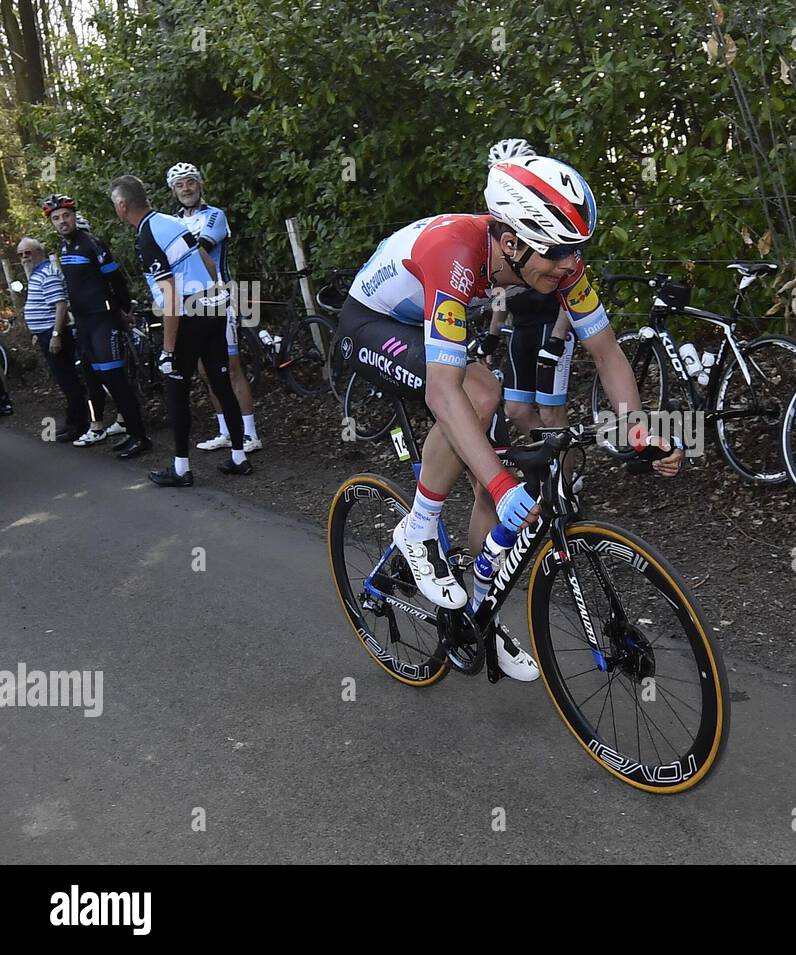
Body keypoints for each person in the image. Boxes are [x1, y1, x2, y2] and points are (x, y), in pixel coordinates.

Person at [338, 155, 682, 681]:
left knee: (487, 484)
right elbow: (442, 391)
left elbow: (608, 353)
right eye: (559, 252)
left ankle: (480, 614)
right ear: (513, 242)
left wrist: (637, 428)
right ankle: (419, 528)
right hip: (371, 322)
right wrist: (503, 485)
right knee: (480, 393)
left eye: (577, 251)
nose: (571, 265)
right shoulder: (453, 250)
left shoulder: (560, 263)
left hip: (426, 322)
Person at [109, 174, 249, 486]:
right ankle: (240, 457)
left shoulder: (146, 235)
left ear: (122, 206)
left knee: (176, 389)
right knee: (221, 380)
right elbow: (208, 263)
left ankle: (181, 468)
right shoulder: (169, 222)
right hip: (214, 305)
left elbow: (170, 294)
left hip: (188, 312)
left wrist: (168, 350)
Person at [474, 140, 577, 443]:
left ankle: (567, 483)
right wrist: (493, 336)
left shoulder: (554, 222)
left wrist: (558, 339)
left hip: (551, 325)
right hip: (521, 328)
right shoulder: (500, 229)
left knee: (549, 412)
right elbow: (501, 288)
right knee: (517, 409)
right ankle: (551, 466)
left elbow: (572, 291)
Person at [165, 162, 263, 453]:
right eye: (180, 185)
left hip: (219, 299)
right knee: (206, 371)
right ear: (173, 191)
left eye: (190, 182)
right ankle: (226, 431)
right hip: (188, 303)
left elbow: (199, 251)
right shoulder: (172, 221)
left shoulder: (214, 215)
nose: (186, 189)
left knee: (231, 368)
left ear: (200, 185)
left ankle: (249, 434)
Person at [45, 194, 150, 456]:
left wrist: (123, 311)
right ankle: (127, 432)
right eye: (56, 218)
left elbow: (116, 279)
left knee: (116, 380)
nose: (62, 221)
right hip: (83, 323)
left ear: (74, 216)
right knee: (94, 378)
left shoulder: (91, 243)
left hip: (103, 320)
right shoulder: (65, 248)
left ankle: (140, 436)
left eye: (66, 216)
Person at [15, 237, 92, 442]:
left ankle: (80, 425)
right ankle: (72, 422)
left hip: (54, 334)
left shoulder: (47, 273)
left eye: (28, 253)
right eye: (21, 254)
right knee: (64, 380)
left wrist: (56, 335)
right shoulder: (36, 275)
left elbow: (60, 306)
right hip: (45, 333)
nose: (24, 258)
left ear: (39, 252)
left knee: (69, 381)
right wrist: (36, 333)